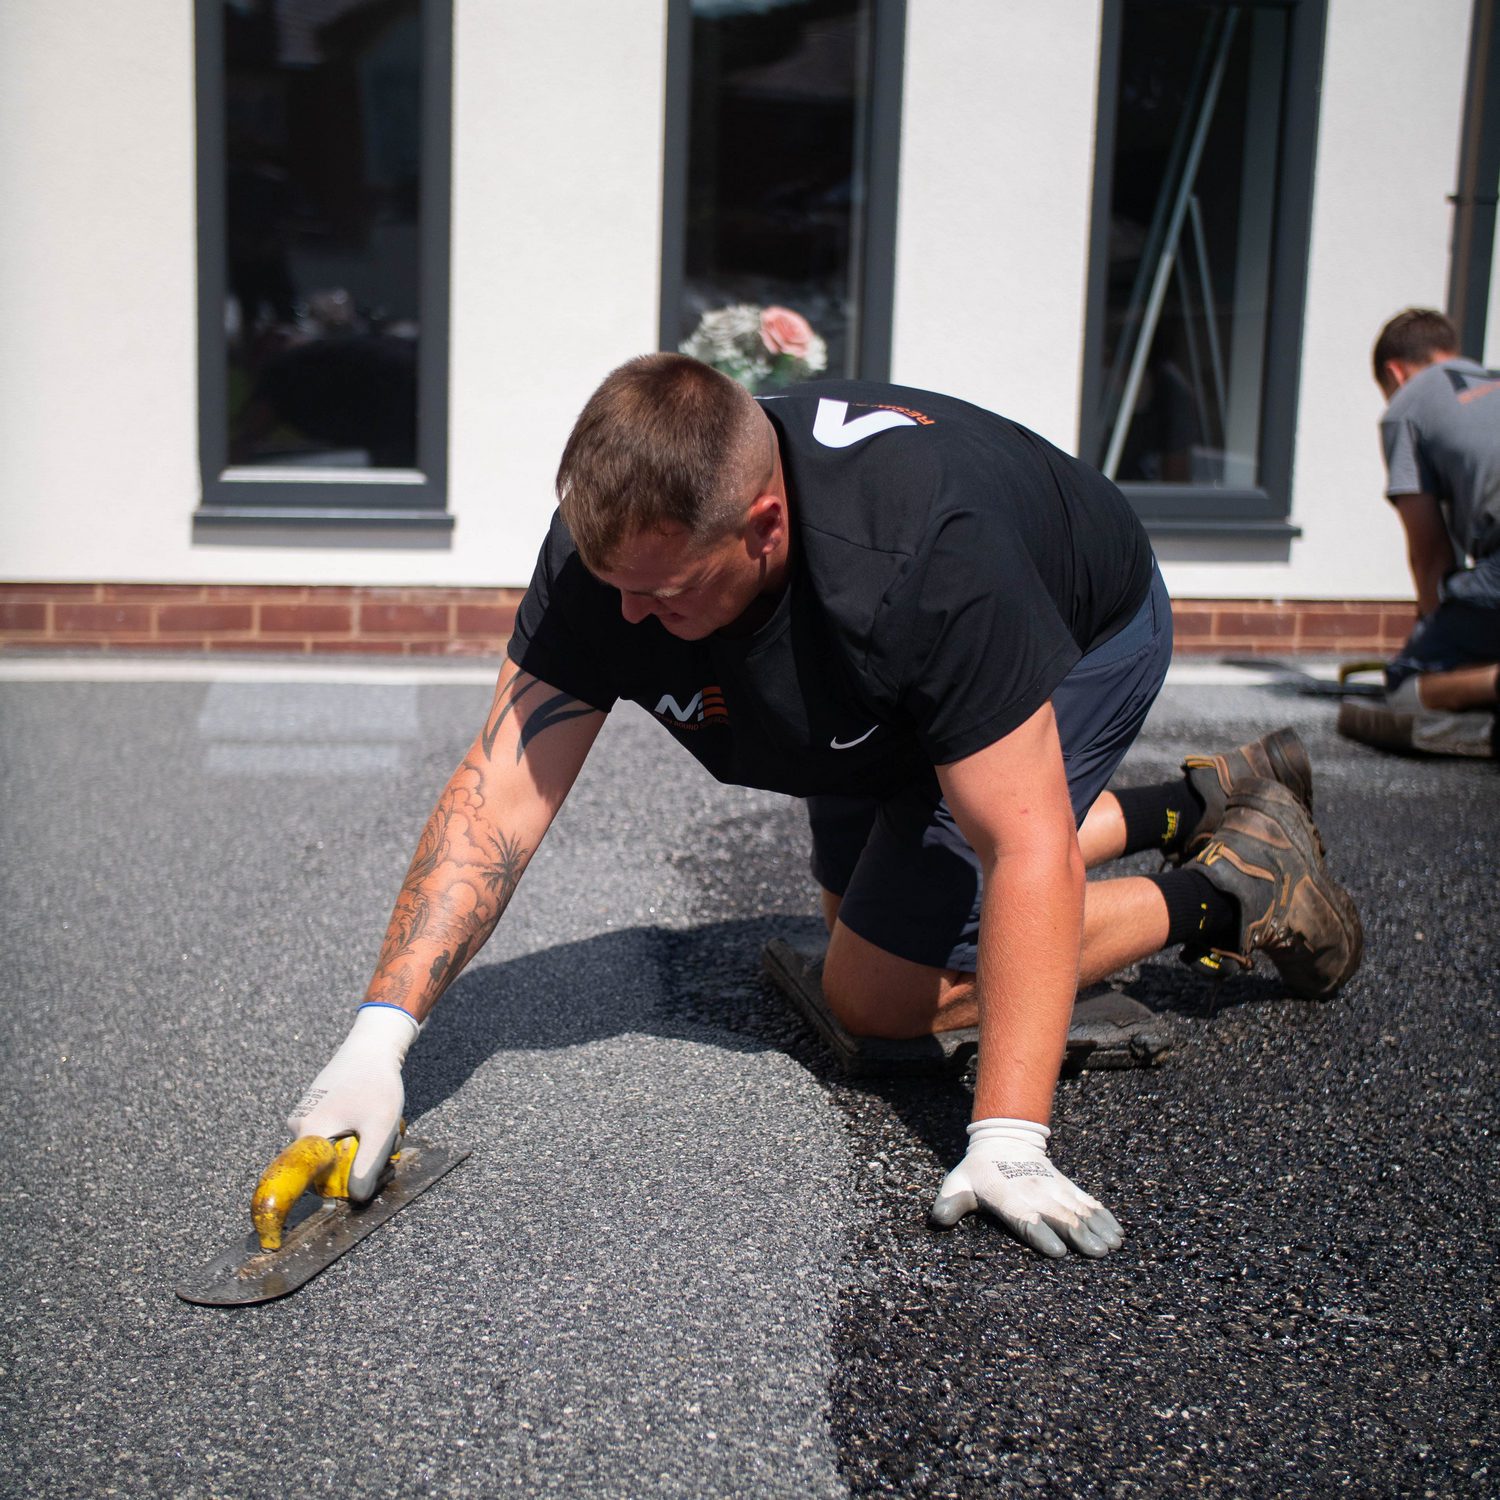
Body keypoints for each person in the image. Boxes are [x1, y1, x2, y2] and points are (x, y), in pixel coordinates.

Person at [287, 356, 1362, 1261]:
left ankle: (1236, 885)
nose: (626, 617)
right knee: (854, 908)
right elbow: (501, 790)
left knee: (876, 993)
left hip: (1077, 629)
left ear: (762, 528)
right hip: (886, 690)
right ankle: (1193, 801)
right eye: (616, 585)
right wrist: (381, 1039)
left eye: (664, 596)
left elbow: (1023, 838)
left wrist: (1009, 1137)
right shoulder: (621, 547)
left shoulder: (922, 565)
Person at [1338, 308, 1500, 757]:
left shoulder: (1406, 408)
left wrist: (1433, 640)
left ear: (1395, 373)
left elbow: (1429, 555)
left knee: (1408, 685)